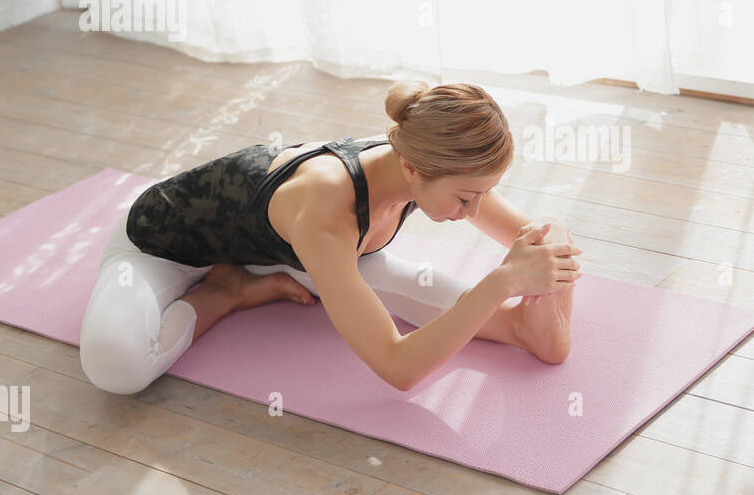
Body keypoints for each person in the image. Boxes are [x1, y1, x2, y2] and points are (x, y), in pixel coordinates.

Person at [78, 81, 582, 394]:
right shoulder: (324, 210)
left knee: (394, 277)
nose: (475, 209)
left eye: (485, 194)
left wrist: (539, 252)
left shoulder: (427, 160)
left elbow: (529, 236)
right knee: (116, 368)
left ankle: (522, 329)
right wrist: (499, 283)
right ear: (412, 169)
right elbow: (396, 366)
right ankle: (226, 292)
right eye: (467, 198)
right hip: (157, 246)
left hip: (278, 251)